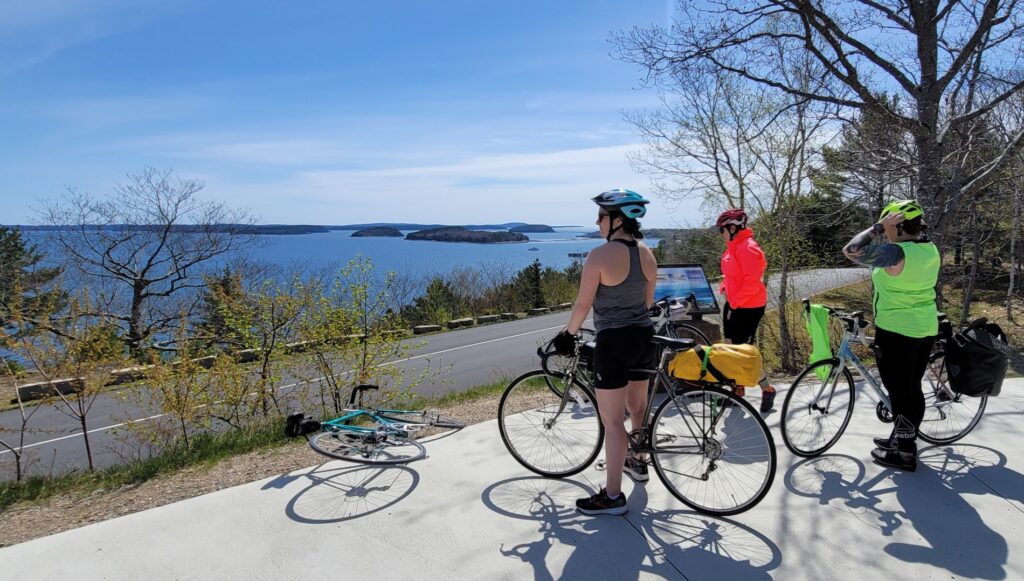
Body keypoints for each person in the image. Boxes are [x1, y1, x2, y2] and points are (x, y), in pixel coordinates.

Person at [552, 188, 657, 516]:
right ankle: (637, 462)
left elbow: (583, 304)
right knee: (637, 408)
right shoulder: (647, 253)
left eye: (601, 216)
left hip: (614, 343)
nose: (597, 222)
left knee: (612, 422)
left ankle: (612, 496)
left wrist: (567, 335)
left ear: (617, 220)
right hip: (644, 338)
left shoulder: (599, 255)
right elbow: (647, 302)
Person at [843, 200, 939, 471]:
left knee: (899, 393)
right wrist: (888, 230)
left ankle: (905, 453)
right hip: (925, 328)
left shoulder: (896, 254)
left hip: (897, 332)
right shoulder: (929, 249)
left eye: (889, 227)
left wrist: (877, 228)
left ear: (897, 225)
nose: (886, 232)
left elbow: (851, 250)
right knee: (912, 387)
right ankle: (902, 437)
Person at [716, 208, 777, 414]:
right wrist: (725, 287)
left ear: (733, 228)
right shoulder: (733, 247)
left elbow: (752, 282)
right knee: (730, 348)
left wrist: (735, 302)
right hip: (734, 303)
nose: (721, 234)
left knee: (743, 353)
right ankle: (737, 391)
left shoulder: (748, 248)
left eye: (722, 230)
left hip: (748, 306)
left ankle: (767, 389)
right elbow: (732, 275)